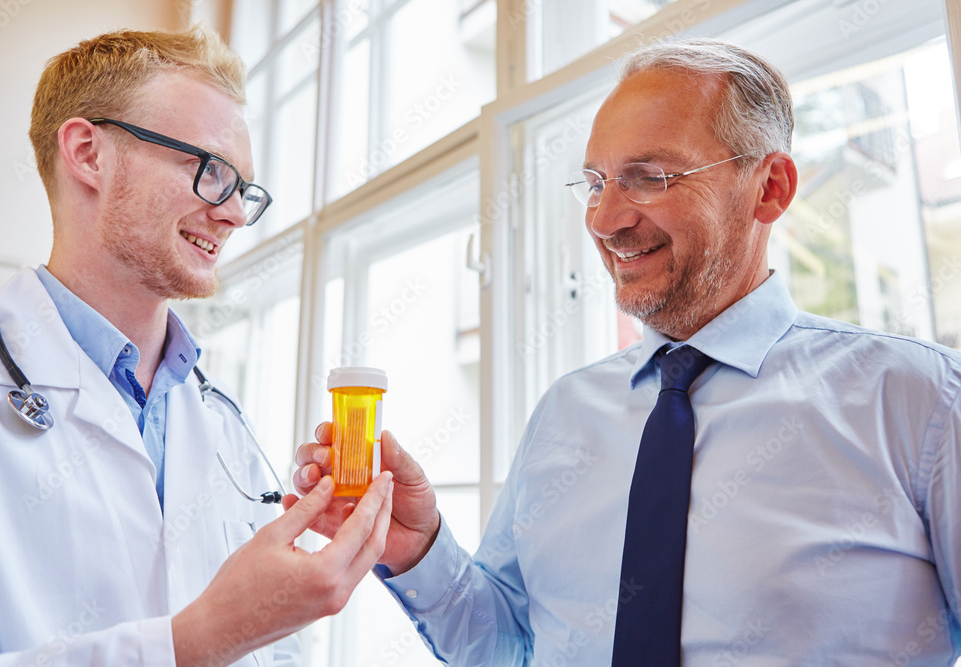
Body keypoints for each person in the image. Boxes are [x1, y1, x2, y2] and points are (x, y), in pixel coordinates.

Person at [294, 38, 961, 665]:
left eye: (649, 178)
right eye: (595, 182)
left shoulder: (916, 400)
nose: (604, 219)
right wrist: (418, 549)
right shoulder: (566, 411)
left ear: (770, 189)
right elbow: (508, 644)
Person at [0, 26, 394, 666]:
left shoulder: (220, 420)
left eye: (243, 187)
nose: (235, 214)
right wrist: (199, 639)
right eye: (210, 170)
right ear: (88, 154)